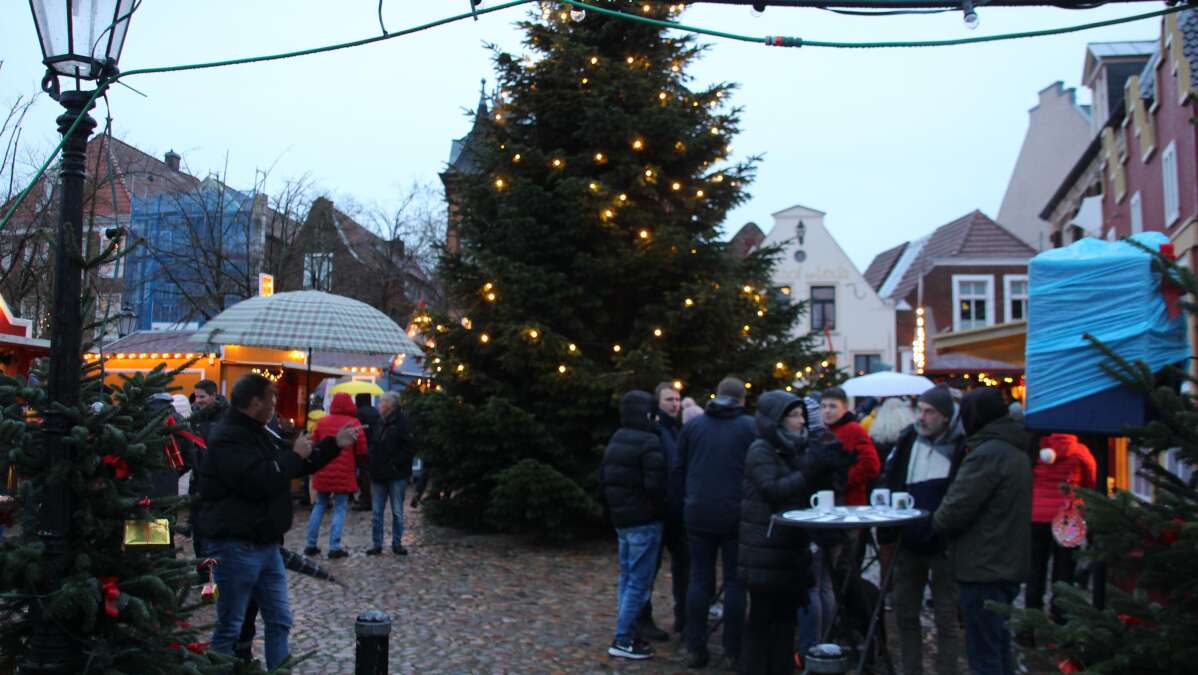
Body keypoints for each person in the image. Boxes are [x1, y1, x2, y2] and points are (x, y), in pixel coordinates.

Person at [195, 373, 358, 670]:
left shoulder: (260, 431)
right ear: (254, 402)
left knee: (280, 621)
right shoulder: (228, 436)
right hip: (235, 545)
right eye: (270, 398)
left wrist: (335, 444)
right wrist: (293, 456)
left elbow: (297, 462)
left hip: (267, 545)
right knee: (230, 626)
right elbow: (260, 478)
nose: (274, 404)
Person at [739, 390, 851, 675]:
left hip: (791, 546)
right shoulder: (761, 449)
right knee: (763, 620)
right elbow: (774, 489)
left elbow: (804, 489)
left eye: (801, 415)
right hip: (766, 546)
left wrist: (831, 471)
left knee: (785, 621)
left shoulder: (796, 447)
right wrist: (810, 471)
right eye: (794, 416)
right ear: (777, 420)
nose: (801, 421)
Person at [933, 387, 1032, 675]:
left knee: (985, 653)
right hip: (1004, 561)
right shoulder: (1013, 448)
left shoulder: (986, 454)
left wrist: (936, 520)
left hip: (983, 565)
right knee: (999, 647)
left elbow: (953, 511)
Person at [879, 385, 966, 675]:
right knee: (905, 612)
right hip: (909, 540)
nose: (923, 417)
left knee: (945, 618)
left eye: (931, 412)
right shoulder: (908, 441)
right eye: (921, 410)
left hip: (943, 544)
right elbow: (893, 480)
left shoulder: (960, 447)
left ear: (945, 416)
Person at [673, 376, 756, 669]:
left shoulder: (694, 426)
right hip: (735, 513)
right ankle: (733, 650)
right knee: (735, 582)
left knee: (699, 579)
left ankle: (695, 646)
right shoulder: (749, 427)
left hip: (698, 511)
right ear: (742, 400)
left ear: (717, 395)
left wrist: (689, 497)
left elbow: (679, 467)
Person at [600, 390, 666, 660]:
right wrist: (658, 509)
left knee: (627, 579)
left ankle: (625, 631)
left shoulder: (617, 438)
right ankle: (623, 637)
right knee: (638, 582)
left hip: (622, 520)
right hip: (643, 521)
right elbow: (655, 486)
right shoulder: (650, 441)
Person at [1027, 433, 1095, 624]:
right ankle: (1060, 616)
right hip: (1067, 517)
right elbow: (1090, 480)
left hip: (1037, 516)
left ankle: (1030, 623)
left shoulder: (1037, 449)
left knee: (1035, 570)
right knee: (1064, 570)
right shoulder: (1081, 452)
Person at [640, 382, 687, 640]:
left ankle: (684, 615)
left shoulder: (676, 431)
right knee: (649, 567)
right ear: (658, 403)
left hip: (677, 511)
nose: (675, 404)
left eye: (677, 399)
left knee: (684, 564)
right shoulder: (656, 432)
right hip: (660, 511)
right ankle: (642, 617)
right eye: (669, 400)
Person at [304, 392, 367, 559]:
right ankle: (334, 546)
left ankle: (310, 544)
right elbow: (362, 450)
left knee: (319, 506)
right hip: (344, 473)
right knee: (340, 508)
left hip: (323, 470)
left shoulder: (322, 422)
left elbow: (315, 444)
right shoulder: (354, 423)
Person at [368, 391, 415, 556]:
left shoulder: (403, 422)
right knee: (377, 512)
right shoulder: (378, 421)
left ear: (389, 405)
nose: (379, 405)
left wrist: (395, 463)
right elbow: (373, 443)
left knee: (397, 511)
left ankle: (397, 542)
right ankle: (377, 543)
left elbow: (409, 447)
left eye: (381, 402)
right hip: (378, 473)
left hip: (396, 474)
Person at [820, 387, 881, 507]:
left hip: (851, 502)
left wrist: (843, 480)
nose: (827, 411)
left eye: (833, 406)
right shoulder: (825, 432)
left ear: (845, 407)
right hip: (830, 501)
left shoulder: (853, 429)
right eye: (823, 406)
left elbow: (871, 465)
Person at [353, 392, 380, 511]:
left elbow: (357, 431)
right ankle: (370, 498)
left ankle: (365, 500)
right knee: (369, 473)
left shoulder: (359, 413)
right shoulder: (375, 412)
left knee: (363, 474)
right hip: (375, 447)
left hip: (363, 446)